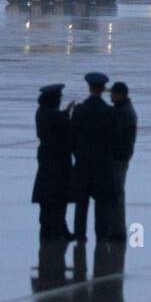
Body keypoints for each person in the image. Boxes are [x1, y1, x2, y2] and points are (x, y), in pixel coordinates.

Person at [70, 72, 123, 241]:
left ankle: (79, 236)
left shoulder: (79, 111)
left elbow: (73, 138)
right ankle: (101, 236)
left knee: (81, 204)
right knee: (102, 205)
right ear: (102, 89)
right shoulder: (110, 113)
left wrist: (78, 155)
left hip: (83, 164)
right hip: (103, 165)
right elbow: (115, 140)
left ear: (89, 87)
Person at [33, 83, 74, 239]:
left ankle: (50, 228)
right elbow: (67, 129)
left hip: (46, 157)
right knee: (58, 197)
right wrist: (68, 115)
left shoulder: (42, 112)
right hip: (59, 159)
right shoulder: (54, 115)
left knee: (47, 198)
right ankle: (58, 229)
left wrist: (65, 113)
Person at [109, 81, 138, 236]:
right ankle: (115, 229)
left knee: (117, 194)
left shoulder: (123, 112)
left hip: (119, 157)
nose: (110, 96)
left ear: (120, 95)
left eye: (112, 93)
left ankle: (118, 231)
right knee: (116, 193)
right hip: (121, 156)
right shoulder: (123, 109)